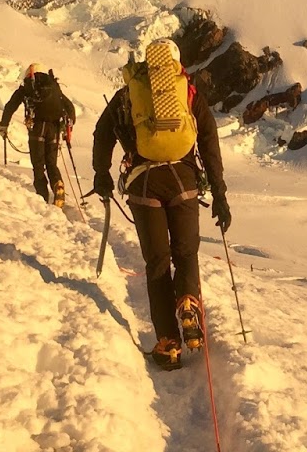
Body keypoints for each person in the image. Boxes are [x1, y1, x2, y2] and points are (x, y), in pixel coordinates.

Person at [91, 38, 230, 367]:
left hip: (143, 183)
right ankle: (188, 304)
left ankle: (168, 343)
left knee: (157, 263)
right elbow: (208, 139)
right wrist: (220, 193)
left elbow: (102, 132)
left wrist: (102, 174)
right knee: (185, 253)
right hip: (184, 181)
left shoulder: (130, 92)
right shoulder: (186, 92)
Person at [0, 64, 77, 206]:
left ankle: (42, 198)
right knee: (51, 163)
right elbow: (70, 107)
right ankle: (57, 184)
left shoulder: (27, 88)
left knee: (38, 164)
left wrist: (4, 125)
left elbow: (11, 106)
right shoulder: (54, 87)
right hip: (54, 128)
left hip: (37, 128)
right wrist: (68, 128)